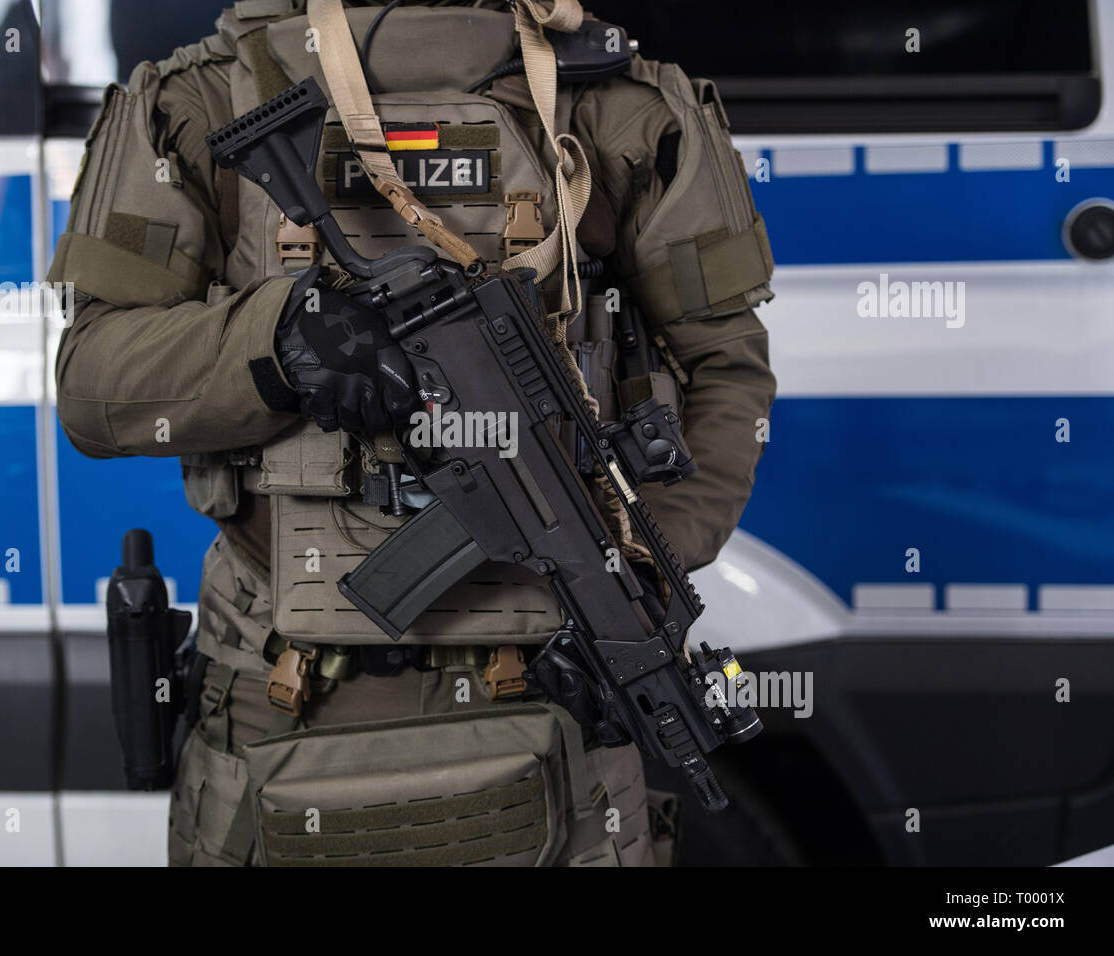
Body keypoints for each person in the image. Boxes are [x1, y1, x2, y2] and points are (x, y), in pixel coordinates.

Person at [51, 0, 776, 867]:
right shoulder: (200, 101)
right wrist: (280, 343)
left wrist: (641, 568)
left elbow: (724, 374)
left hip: (553, 698)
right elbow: (93, 386)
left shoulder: (615, 102)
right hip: (281, 698)